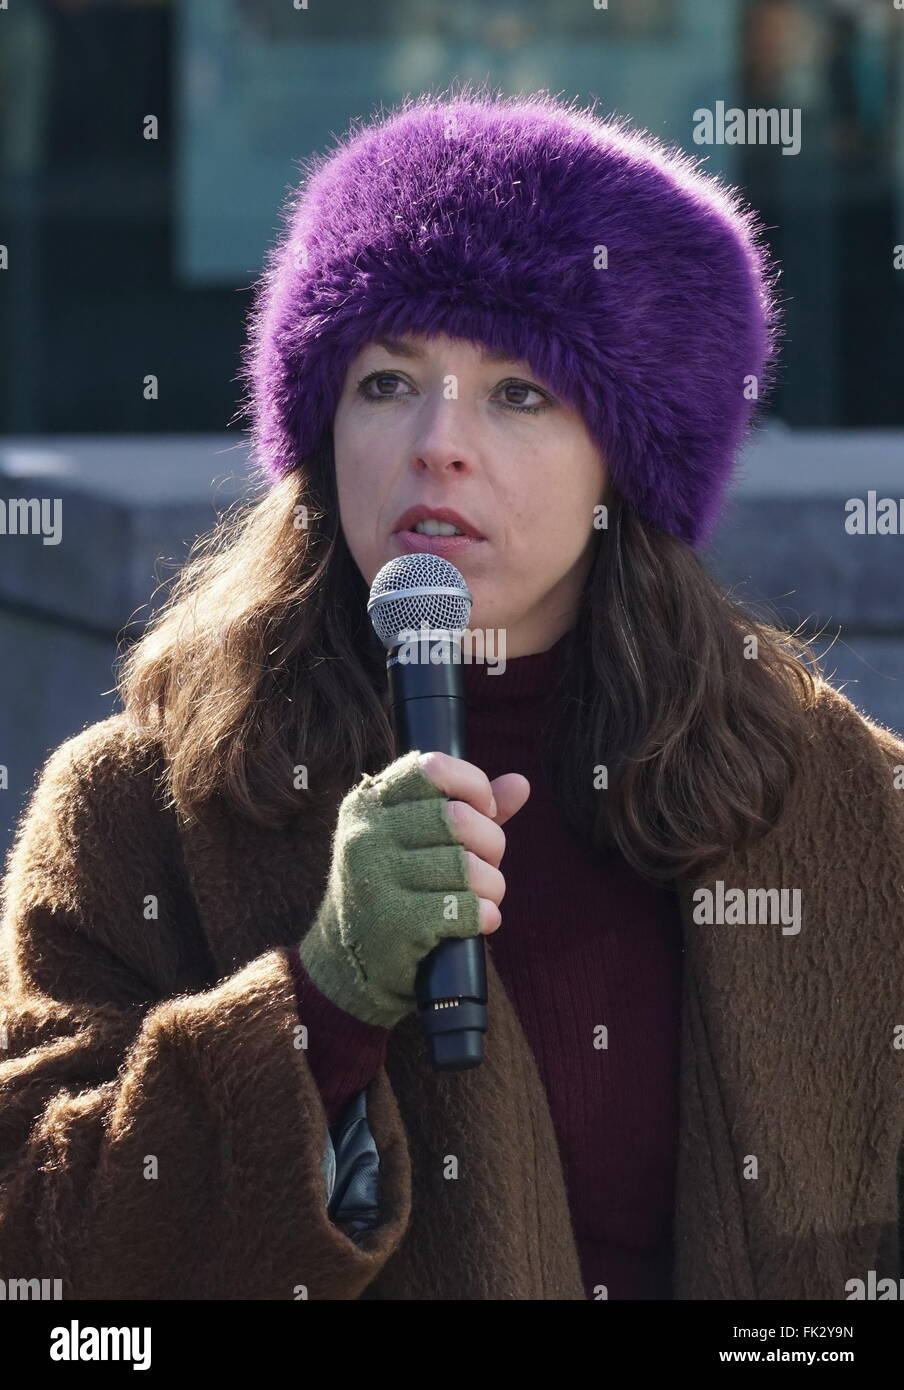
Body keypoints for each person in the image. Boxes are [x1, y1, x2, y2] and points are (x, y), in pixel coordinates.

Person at [1, 85, 902, 1302]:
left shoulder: (838, 800)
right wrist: (324, 992)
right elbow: (46, 1255)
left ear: (626, 464)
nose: (437, 441)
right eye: (386, 381)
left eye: (518, 392)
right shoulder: (137, 807)